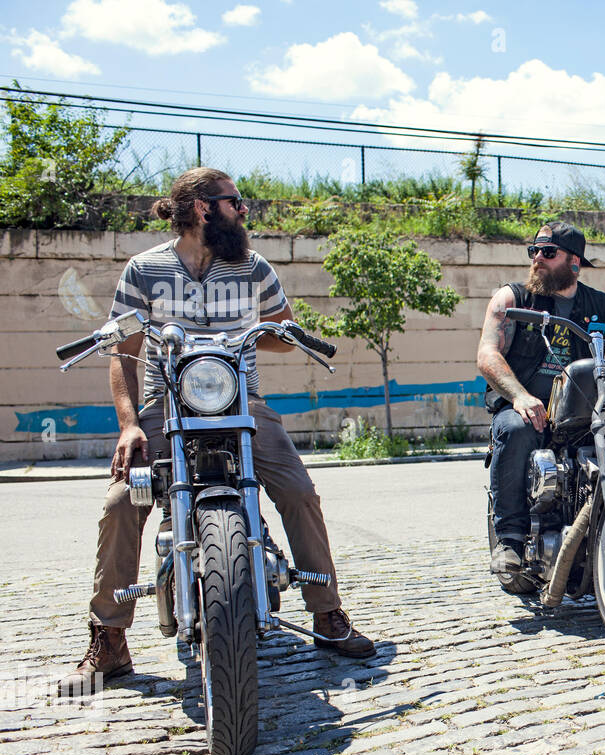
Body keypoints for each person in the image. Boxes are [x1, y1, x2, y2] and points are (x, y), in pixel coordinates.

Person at [60, 167, 374, 697]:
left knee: (298, 490)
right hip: (169, 405)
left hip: (242, 401)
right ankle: (109, 637)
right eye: (236, 202)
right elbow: (124, 352)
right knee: (120, 502)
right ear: (203, 208)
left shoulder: (251, 267)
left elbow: (283, 331)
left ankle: (328, 613)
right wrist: (130, 424)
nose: (244, 211)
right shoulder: (145, 269)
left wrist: (266, 333)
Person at [477, 222, 605, 576]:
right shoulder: (512, 299)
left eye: (548, 253)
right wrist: (519, 396)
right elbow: (487, 354)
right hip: (525, 408)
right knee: (515, 429)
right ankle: (510, 540)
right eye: (534, 251)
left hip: (584, 415)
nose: (537, 259)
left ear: (574, 262)